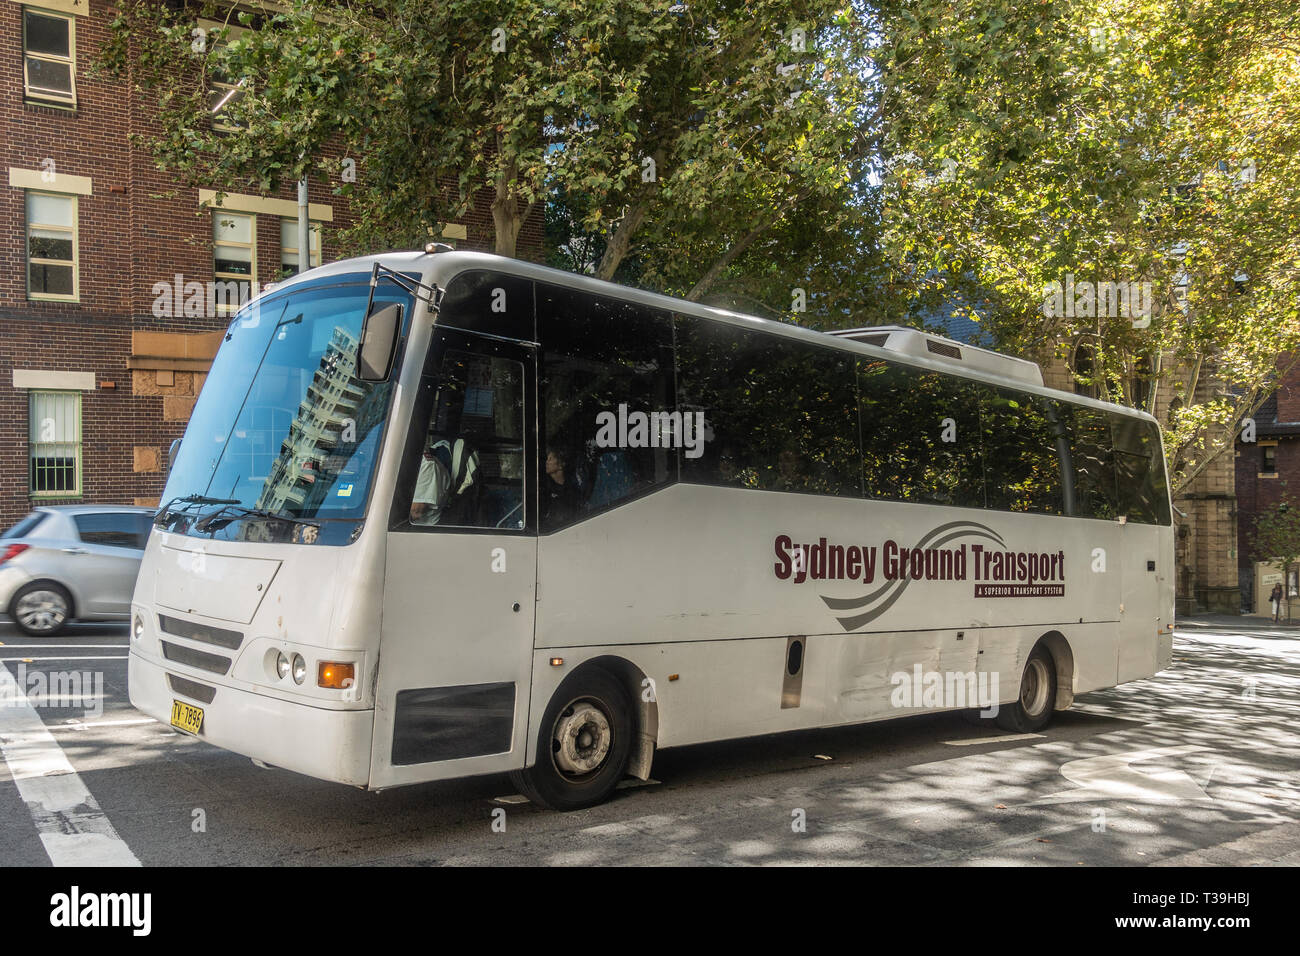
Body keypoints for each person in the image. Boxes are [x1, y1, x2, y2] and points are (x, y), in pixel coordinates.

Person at [543, 446, 583, 527]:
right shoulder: (544, 488)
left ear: (561, 465)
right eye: (547, 459)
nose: (546, 462)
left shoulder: (573, 489)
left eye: (550, 459)